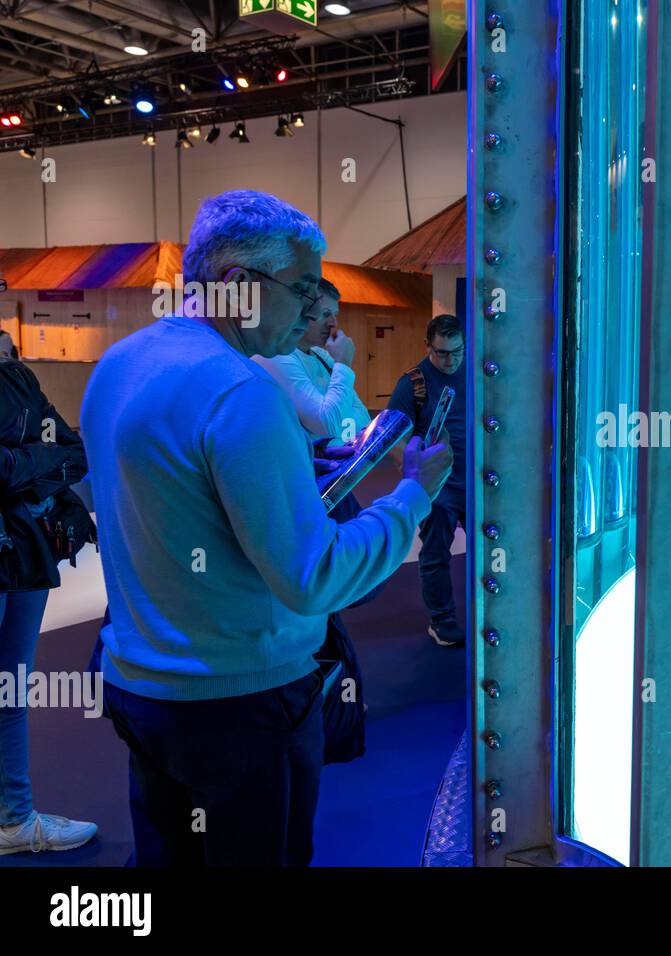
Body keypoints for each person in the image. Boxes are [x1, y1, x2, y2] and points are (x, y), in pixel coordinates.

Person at [80, 190, 452, 866]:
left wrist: (297, 471)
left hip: (141, 686)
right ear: (236, 286)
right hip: (239, 702)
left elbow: (179, 500)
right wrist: (412, 496)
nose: (316, 312)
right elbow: (315, 577)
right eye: (304, 290)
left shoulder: (120, 364)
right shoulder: (242, 394)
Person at [0, 353, 97, 855]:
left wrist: (16, 466)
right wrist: (32, 462)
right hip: (21, 536)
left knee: (10, 692)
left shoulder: (16, 376)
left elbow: (73, 452)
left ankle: (15, 819)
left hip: (23, 553)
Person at [387, 314, 467, 647]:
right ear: (428, 347)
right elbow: (391, 436)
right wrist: (413, 477)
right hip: (438, 485)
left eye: (457, 352)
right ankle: (442, 619)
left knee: (493, 546)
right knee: (435, 553)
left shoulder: (477, 371)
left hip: (477, 480)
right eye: (442, 353)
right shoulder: (413, 383)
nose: (450, 360)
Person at [253, 277, 370, 446]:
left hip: (334, 464)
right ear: (303, 312)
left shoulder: (322, 355)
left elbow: (363, 419)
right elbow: (327, 424)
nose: (333, 323)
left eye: (334, 315)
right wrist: (343, 363)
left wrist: (340, 431)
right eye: (325, 314)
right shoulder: (276, 356)